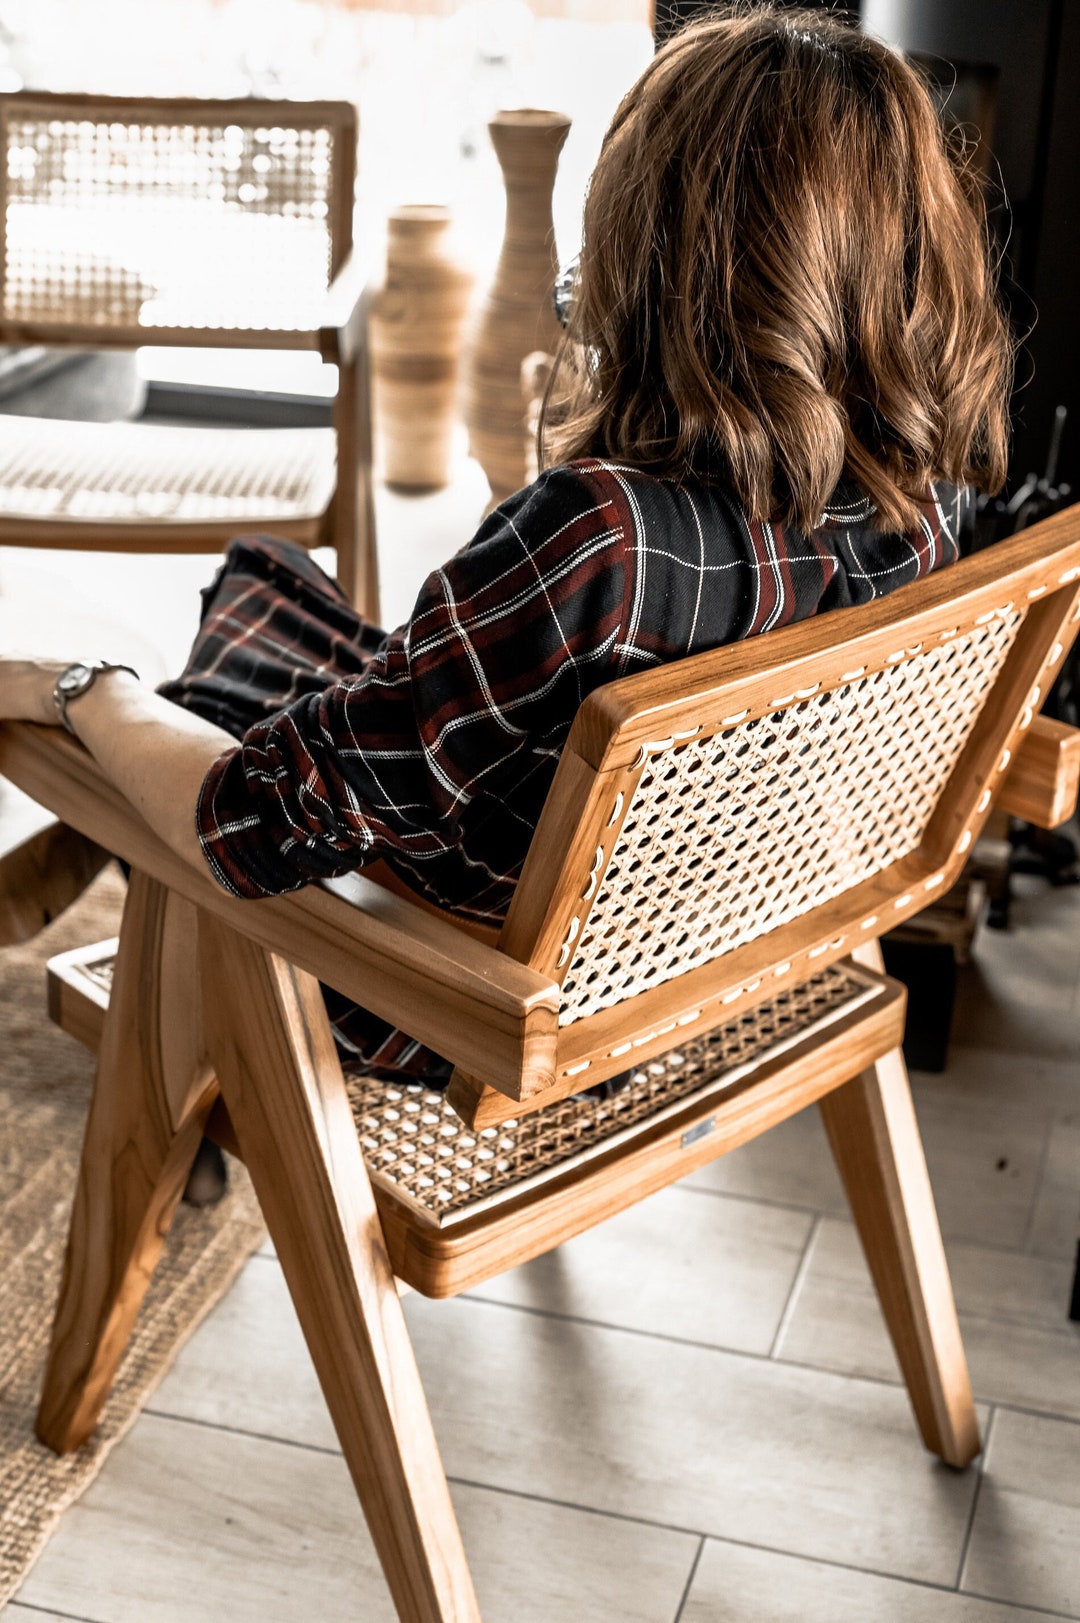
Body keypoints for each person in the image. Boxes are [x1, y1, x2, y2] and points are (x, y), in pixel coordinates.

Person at [0, 6, 1012, 1113]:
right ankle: (107, 822)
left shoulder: (601, 538)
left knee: (217, 691)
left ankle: (115, 893)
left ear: (657, 243)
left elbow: (252, 821)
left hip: (453, 980)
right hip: (677, 951)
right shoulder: (929, 508)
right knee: (273, 579)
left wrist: (80, 692)